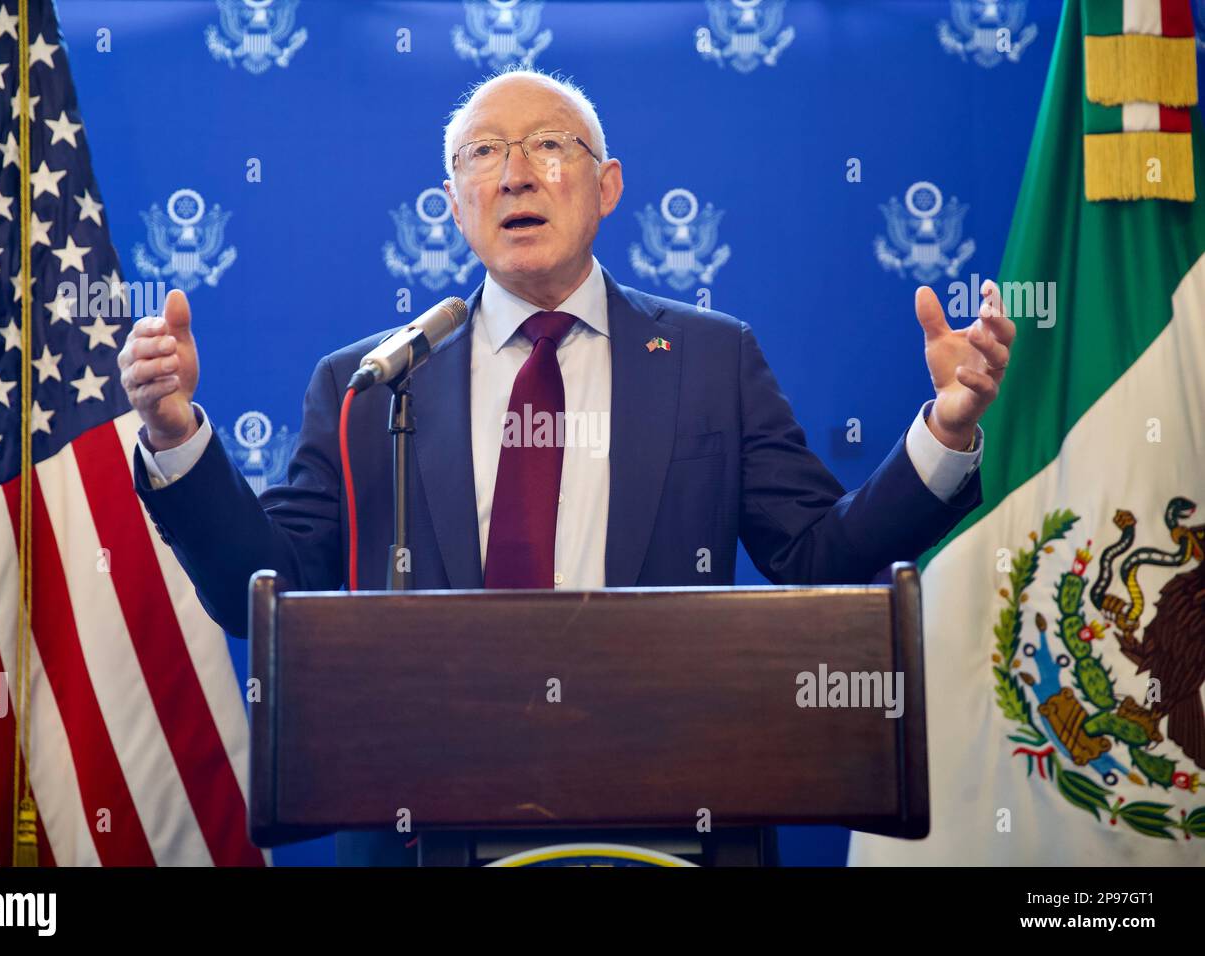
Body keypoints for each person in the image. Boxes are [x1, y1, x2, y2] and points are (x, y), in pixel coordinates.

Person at [118, 68, 1015, 864]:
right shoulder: (372, 383)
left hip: (669, 821)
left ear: (607, 185)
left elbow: (823, 559)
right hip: (426, 828)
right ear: (456, 200)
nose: (515, 173)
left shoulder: (710, 361)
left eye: (550, 146)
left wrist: (943, 428)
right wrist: (174, 434)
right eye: (483, 155)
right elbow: (265, 591)